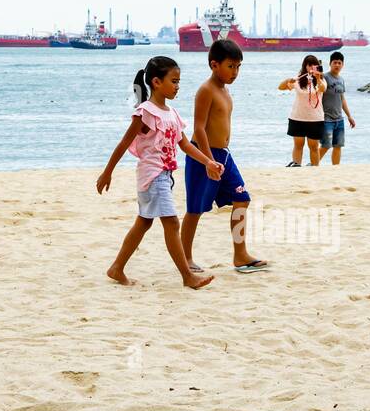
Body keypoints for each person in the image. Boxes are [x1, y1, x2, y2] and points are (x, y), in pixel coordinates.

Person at [96, 56, 223, 288]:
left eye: (179, 81)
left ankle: (116, 268)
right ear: (156, 82)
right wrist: (107, 172)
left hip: (164, 176)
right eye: (173, 81)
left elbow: (184, 145)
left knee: (143, 223)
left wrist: (208, 162)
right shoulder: (146, 112)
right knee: (172, 223)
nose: (177, 86)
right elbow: (125, 142)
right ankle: (187, 276)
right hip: (152, 175)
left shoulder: (172, 114)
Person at [180, 38, 269, 274]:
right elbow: (199, 128)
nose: (235, 72)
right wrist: (208, 160)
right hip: (203, 156)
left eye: (238, 67)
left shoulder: (225, 91)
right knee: (195, 209)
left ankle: (240, 255)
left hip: (225, 156)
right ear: (214, 65)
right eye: (231, 66)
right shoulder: (205, 90)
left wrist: (219, 158)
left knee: (242, 199)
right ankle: (185, 257)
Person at [278, 54, 327, 166]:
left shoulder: (322, 80)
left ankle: (315, 169)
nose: (311, 68)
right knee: (298, 145)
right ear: (305, 66)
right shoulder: (298, 79)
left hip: (315, 119)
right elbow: (280, 87)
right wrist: (288, 80)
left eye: (314, 65)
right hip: (297, 117)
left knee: (314, 147)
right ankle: (296, 167)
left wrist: (318, 77)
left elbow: (323, 89)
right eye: (309, 65)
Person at [319, 51, 356, 164]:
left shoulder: (341, 79)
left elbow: (342, 99)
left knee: (338, 146)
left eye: (339, 63)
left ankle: (336, 168)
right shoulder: (324, 77)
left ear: (342, 65)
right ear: (330, 64)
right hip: (326, 118)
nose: (337, 65)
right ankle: (313, 164)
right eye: (335, 63)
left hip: (339, 119)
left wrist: (349, 116)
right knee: (326, 145)